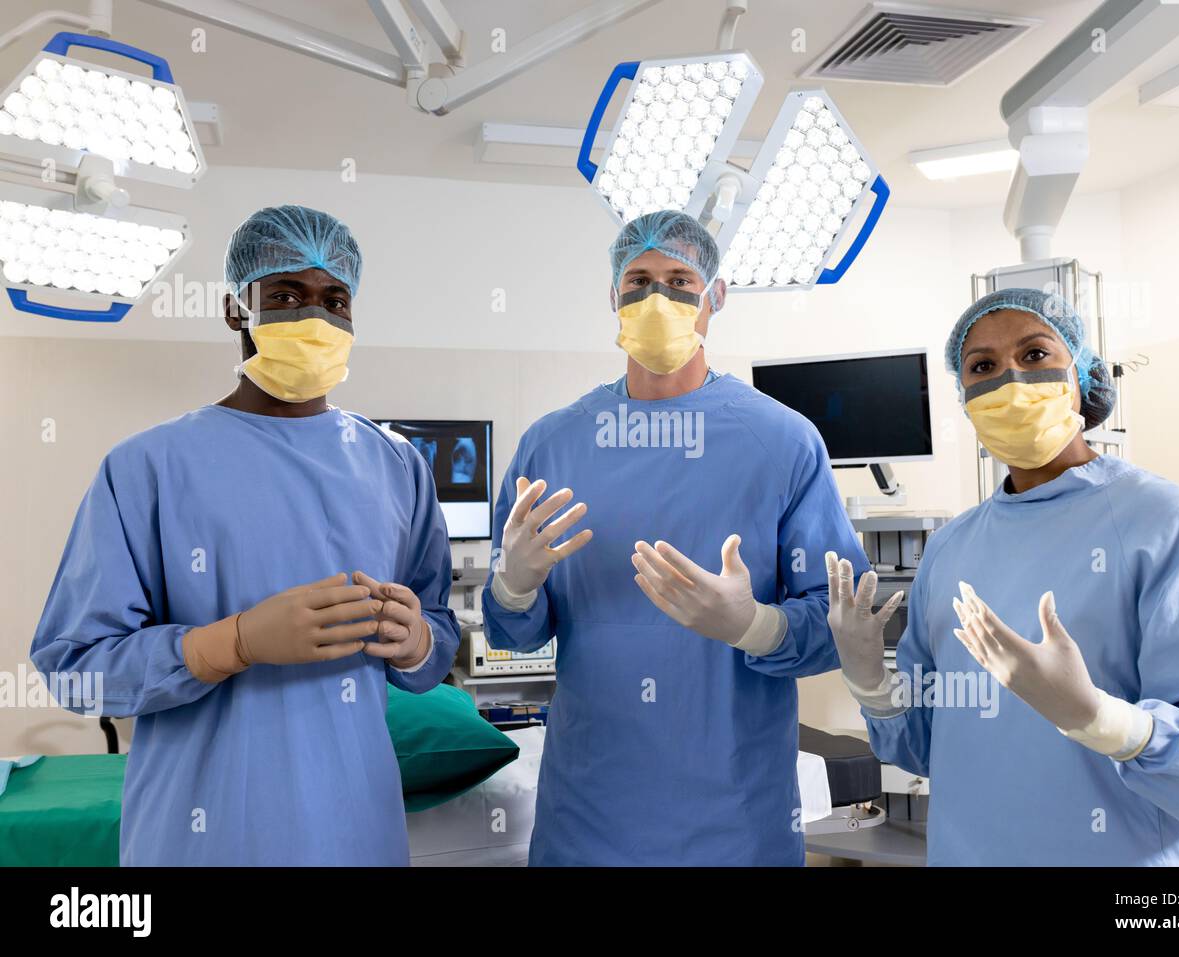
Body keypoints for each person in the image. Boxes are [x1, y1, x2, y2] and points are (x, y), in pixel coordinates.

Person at [30, 205, 461, 866]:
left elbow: (437, 641)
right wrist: (228, 643)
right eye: (285, 295)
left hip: (357, 834)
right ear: (237, 308)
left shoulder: (396, 465)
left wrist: (417, 640)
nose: (314, 316)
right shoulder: (149, 466)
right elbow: (76, 669)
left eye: (334, 299)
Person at [826, 287, 1179, 865]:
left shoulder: (1166, 523)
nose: (1009, 381)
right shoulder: (949, 550)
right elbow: (925, 751)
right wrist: (870, 682)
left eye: (1036, 355)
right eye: (983, 367)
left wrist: (1103, 721)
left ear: (1082, 374)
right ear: (964, 397)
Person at [482, 210, 869, 865]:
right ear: (612, 297)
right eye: (637, 281)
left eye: (679, 281)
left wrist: (756, 626)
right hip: (589, 815)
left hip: (736, 820)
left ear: (715, 297)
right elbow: (511, 635)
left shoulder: (783, 441)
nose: (656, 298)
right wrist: (513, 586)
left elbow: (840, 624)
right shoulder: (552, 445)